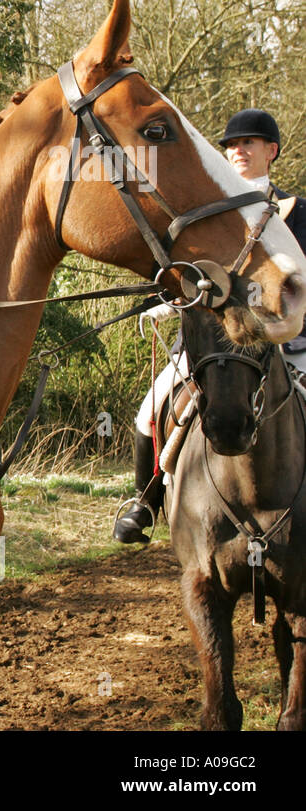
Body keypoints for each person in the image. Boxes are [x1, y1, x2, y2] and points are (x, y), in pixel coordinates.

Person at [114, 107, 306, 542]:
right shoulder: (208, 214)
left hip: (282, 343)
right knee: (150, 411)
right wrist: (163, 300)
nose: (237, 151)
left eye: (247, 143)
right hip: (208, 346)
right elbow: (182, 269)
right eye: (231, 145)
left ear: (271, 151)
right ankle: (144, 502)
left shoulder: (295, 213)